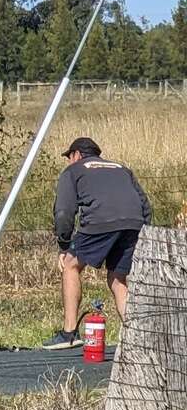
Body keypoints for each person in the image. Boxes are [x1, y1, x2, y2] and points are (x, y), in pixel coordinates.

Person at [41, 137, 151, 350]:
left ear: (77, 155)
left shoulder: (73, 171)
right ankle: (138, 338)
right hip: (134, 224)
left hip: (99, 222)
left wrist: (64, 245)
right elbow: (145, 205)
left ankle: (69, 332)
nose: (68, 161)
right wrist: (144, 233)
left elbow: (64, 211)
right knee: (118, 279)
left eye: (69, 157)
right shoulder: (121, 168)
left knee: (71, 266)